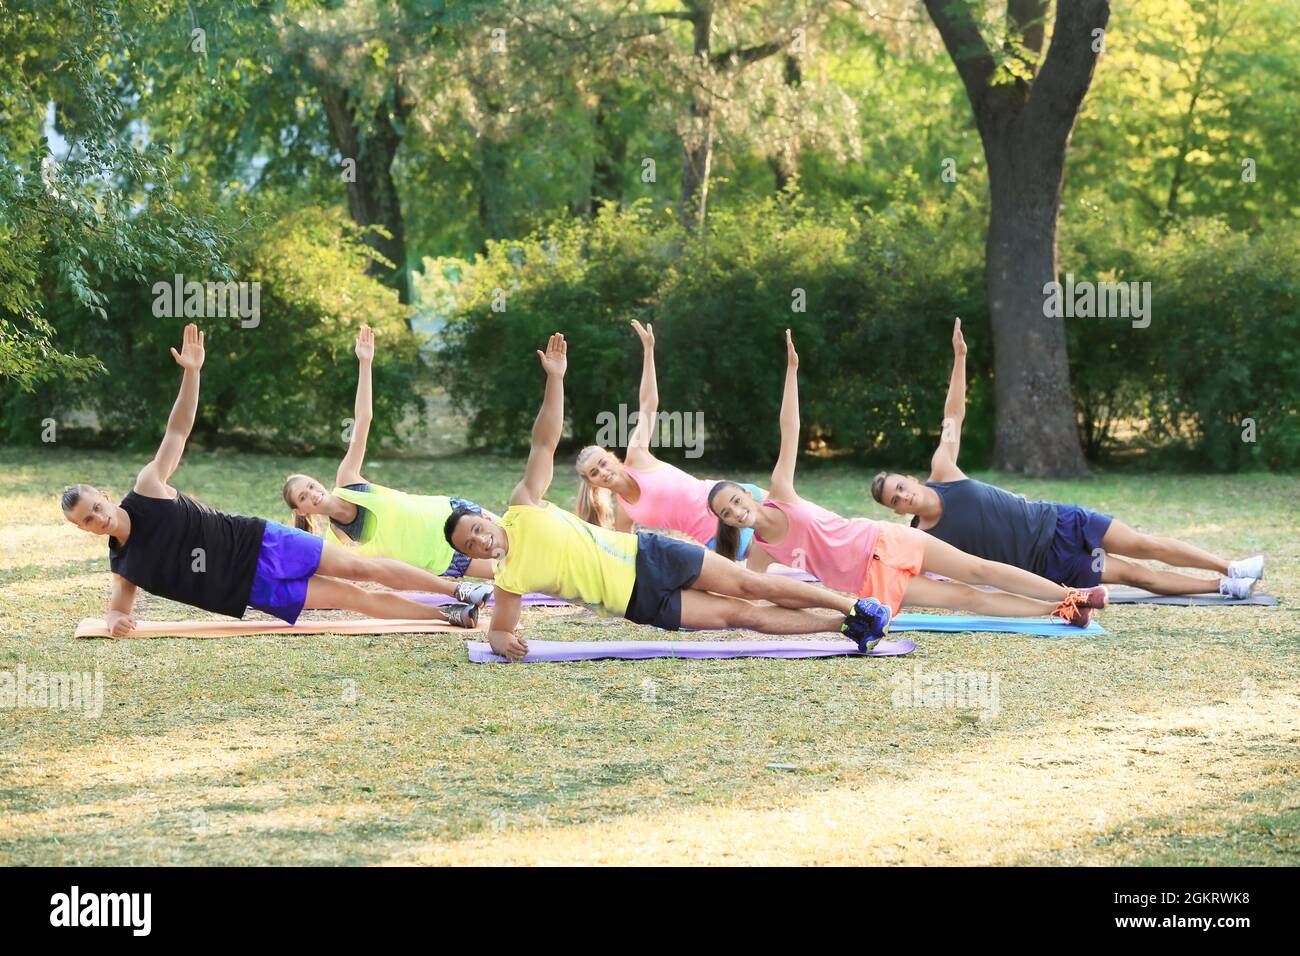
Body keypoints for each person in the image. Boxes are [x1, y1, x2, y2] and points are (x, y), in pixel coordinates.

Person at [443, 332, 893, 661]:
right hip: (640, 602)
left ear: (486, 517)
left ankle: (853, 604)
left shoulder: (523, 505)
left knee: (750, 585)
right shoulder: (507, 580)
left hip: (654, 553)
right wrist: (501, 642)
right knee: (740, 616)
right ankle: (847, 627)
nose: (480, 541)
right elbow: (500, 630)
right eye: (470, 544)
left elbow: (544, 443)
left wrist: (555, 380)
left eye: (477, 528)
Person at [61, 324, 479, 638]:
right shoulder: (124, 565)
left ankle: (458, 592)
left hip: (259, 541)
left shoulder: (148, 488)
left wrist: (192, 373)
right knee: (354, 599)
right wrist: (116, 620)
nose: (99, 518)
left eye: (96, 506)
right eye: (88, 521)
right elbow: (117, 609)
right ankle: (447, 616)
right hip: (251, 589)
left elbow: (177, 432)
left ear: (104, 495)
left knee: (360, 567)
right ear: (82, 529)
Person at [707, 330, 1103, 627]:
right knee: (966, 598)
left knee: (980, 570)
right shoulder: (760, 552)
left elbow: (788, 429)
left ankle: (1074, 594)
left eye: (736, 502)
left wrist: (792, 372)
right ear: (726, 522)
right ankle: (1061, 610)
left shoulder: (782, 494)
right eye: (728, 513)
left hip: (886, 539)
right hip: (870, 579)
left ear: (748, 494)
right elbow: (746, 589)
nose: (737, 512)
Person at [870, 318, 1265, 598]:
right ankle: (1223, 587)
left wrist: (960, 358)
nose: (903, 496)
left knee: (1142, 543)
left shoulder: (944, 469)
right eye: (895, 500)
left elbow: (953, 416)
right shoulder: (922, 536)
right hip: (1047, 564)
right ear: (894, 511)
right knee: (1133, 574)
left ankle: (1229, 567)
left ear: (911, 478)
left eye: (901, 487)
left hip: (1060, 520)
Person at [281, 325, 493, 608]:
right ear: (301, 510)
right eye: (303, 497)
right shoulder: (336, 542)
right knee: (520, 570)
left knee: (523, 536)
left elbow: (363, 419)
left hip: (454, 513)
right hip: (447, 557)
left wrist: (365, 363)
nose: (313, 493)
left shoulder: (348, 481)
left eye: (309, 486)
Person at [574, 320, 767, 561]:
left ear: (613, 458)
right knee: (774, 554)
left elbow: (648, 403)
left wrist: (648, 351)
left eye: (603, 462)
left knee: (795, 519)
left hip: (728, 494)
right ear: (593, 483)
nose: (603, 471)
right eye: (594, 472)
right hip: (715, 535)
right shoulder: (624, 511)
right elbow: (622, 552)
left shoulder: (637, 455)